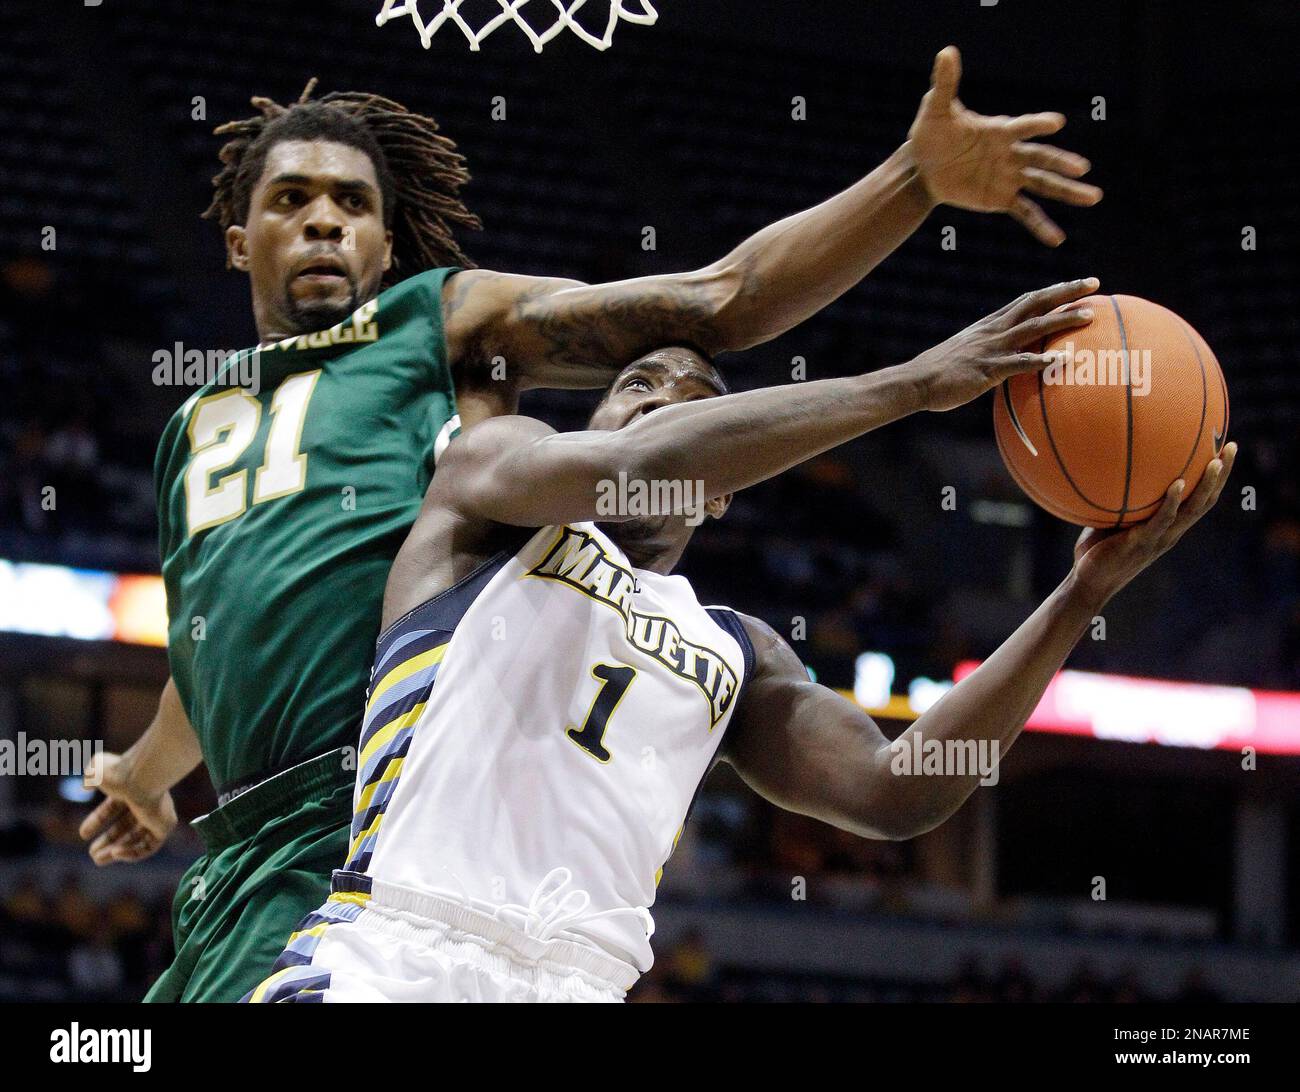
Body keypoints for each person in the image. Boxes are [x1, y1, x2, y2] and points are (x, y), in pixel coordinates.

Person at [80, 48, 1103, 1002]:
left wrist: (909, 184)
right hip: (241, 850)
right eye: (290, 199)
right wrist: (145, 771)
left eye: (353, 203)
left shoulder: (438, 334)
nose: (322, 223)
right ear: (236, 239)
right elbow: (217, 638)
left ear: (389, 243)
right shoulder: (191, 426)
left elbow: (717, 302)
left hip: (364, 826)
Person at [247, 288, 1235, 1002]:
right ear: (593, 420)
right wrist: (909, 386)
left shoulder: (737, 650)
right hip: (396, 952)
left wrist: (1078, 594)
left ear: (724, 491)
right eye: (635, 385)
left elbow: (900, 791)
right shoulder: (491, 493)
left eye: (696, 401)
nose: (655, 401)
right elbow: (638, 465)